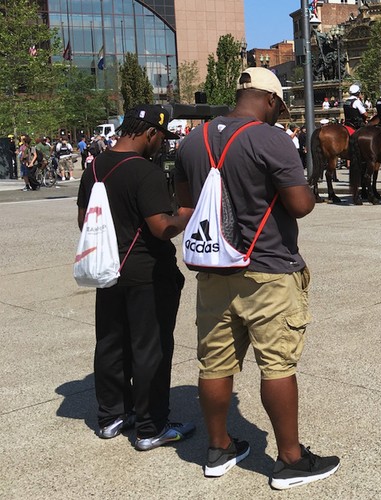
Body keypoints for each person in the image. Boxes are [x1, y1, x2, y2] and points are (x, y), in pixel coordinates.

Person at [175, 67, 337, 489]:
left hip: (213, 270)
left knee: (214, 363)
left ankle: (218, 448)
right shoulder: (270, 138)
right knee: (277, 364)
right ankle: (289, 459)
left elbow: (184, 202)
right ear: (269, 100)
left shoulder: (193, 140)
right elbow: (300, 206)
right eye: (279, 108)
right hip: (267, 267)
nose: (280, 115)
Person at [76, 104, 193, 450]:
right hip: (146, 273)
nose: (161, 145)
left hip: (107, 270)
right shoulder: (146, 173)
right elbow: (161, 228)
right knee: (150, 349)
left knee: (111, 342)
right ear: (149, 133)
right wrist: (186, 214)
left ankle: (111, 416)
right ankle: (150, 426)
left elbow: (85, 221)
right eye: (161, 138)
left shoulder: (93, 167)